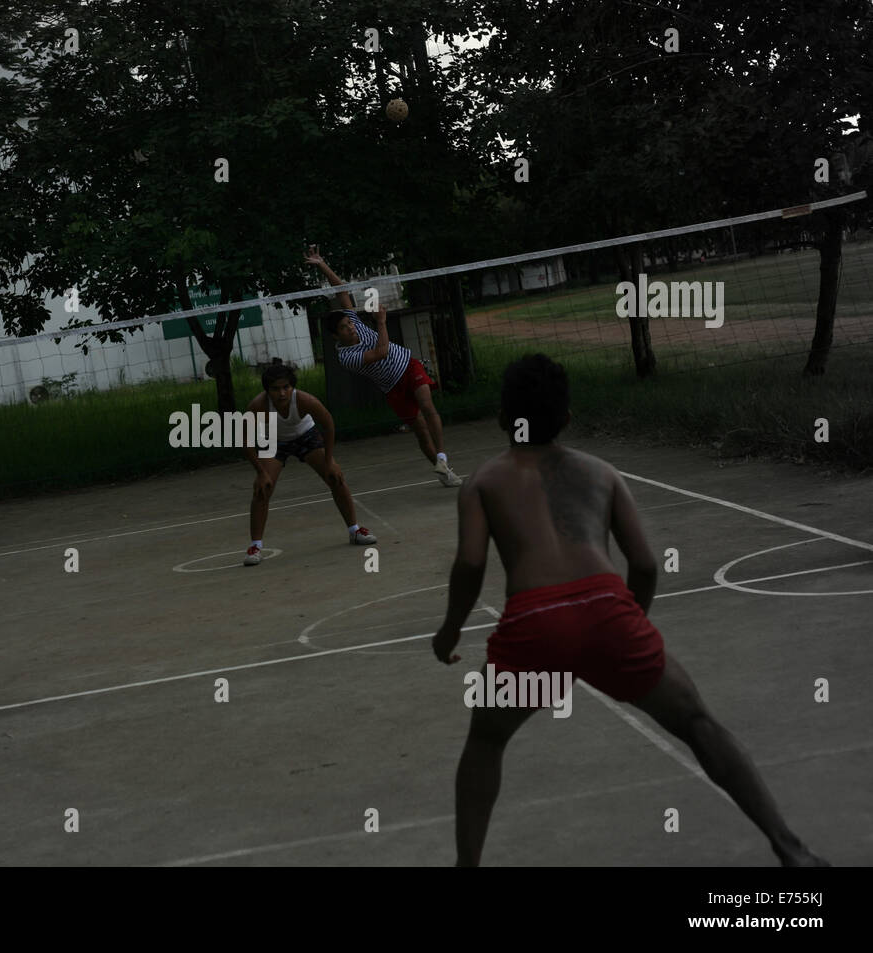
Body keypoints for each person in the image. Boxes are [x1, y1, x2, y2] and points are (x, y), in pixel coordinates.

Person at [431, 353, 827, 867]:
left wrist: (449, 631)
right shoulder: (601, 473)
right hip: (608, 609)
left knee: (485, 741)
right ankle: (790, 848)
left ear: (504, 418)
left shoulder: (483, 481)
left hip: (533, 623)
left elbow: (469, 563)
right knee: (697, 723)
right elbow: (644, 564)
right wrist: (625, 627)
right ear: (568, 418)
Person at [304, 244, 462, 487]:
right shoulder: (347, 357)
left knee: (427, 405)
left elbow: (341, 289)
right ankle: (444, 472)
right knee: (420, 431)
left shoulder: (354, 319)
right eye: (345, 327)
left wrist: (322, 264)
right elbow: (381, 351)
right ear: (336, 336)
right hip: (392, 387)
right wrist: (381, 322)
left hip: (408, 366)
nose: (351, 327)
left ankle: (442, 456)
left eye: (350, 322)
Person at [242, 363, 376, 565]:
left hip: (305, 435)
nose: (282, 393)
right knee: (263, 489)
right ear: (267, 390)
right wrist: (260, 472)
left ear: (292, 387)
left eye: (286, 387)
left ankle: (355, 530)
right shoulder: (257, 406)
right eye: (275, 389)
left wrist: (329, 461)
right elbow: (245, 440)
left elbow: (328, 424)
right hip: (274, 441)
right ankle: (255, 546)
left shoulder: (304, 400)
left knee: (336, 477)